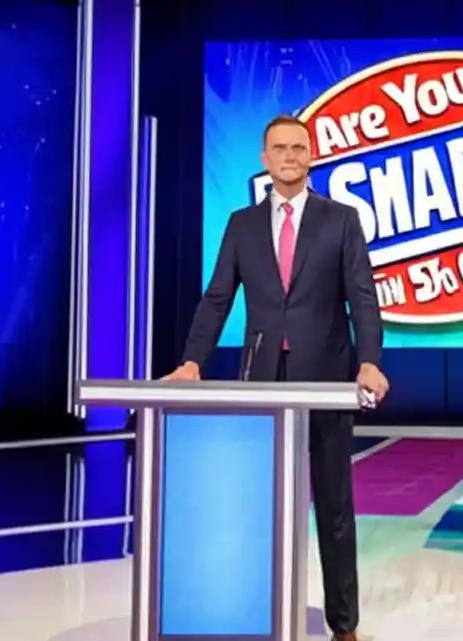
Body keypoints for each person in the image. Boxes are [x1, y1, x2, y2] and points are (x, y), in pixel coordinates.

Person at [163, 114, 389, 641]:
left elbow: (362, 296)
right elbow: (219, 297)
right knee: (256, 504)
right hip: (260, 377)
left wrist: (370, 361)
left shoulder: (341, 219)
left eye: (299, 147)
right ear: (264, 159)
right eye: (280, 148)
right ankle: (255, 612)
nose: (290, 155)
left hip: (327, 379)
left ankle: (344, 626)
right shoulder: (242, 224)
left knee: (334, 507)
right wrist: (194, 359)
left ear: (311, 156)